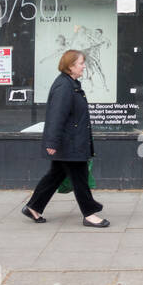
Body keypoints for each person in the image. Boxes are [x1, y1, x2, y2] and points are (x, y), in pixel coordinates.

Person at [22, 49, 108, 227]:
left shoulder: (71, 83)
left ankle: (34, 206)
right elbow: (56, 116)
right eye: (81, 63)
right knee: (80, 177)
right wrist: (52, 142)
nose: (84, 66)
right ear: (70, 66)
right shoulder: (65, 86)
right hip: (70, 143)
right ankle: (90, 214)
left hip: (70, 141)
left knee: (56, 175)